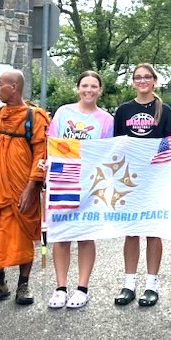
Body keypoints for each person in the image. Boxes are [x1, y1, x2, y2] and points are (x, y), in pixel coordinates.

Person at [0, 69, 49, 307]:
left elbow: (41, 153)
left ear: (13, 88)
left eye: (1, 85)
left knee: (24, 236)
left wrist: (31, 187)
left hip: (22, 188)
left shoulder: (34, 117)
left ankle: (23, 285)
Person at [46, 70, 114, 309]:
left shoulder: (106, 119)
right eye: (84, 85)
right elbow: (51, 143)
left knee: (86, 235)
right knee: (62, 234)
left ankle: (82, 288)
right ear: (77, 88)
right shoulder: (64, 113)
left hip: (89, 182)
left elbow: (107, 151)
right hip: (63, 178)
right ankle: (60, 287)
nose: (89, 90)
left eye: (94, 86)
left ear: (99, 90)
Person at [112, 63, 171, 307]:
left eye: (147, 77)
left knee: (153, 230)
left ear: (154, 80)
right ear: (133, 81)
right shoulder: (124, 110)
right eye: (138, 77)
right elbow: (116, 145)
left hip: (155, 176)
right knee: (131, 231)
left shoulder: (165, 110)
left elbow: (168, 145)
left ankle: (151, 284)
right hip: (130, 177)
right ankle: (129, 284)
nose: (142, 81)